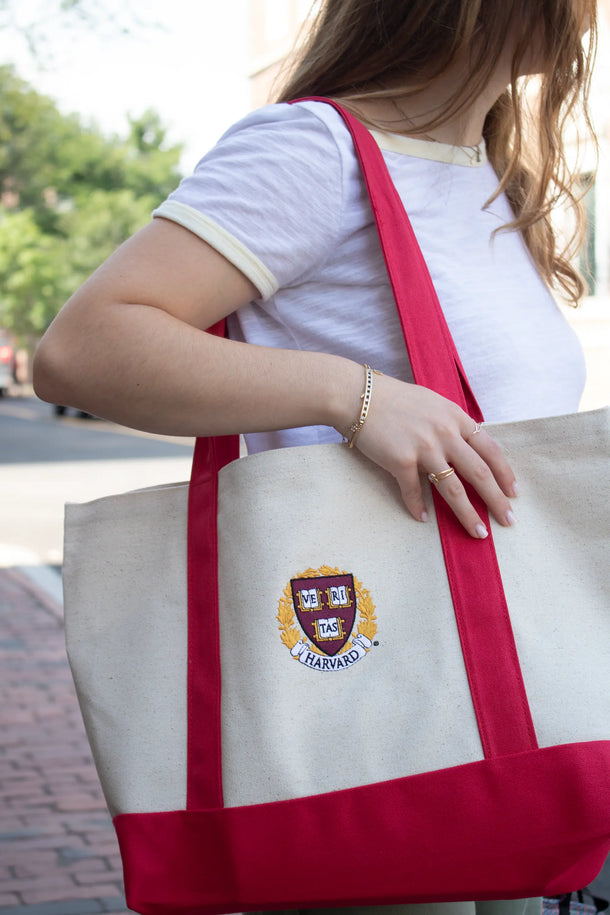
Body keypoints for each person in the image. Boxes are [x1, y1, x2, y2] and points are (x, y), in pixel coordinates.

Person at [33, 1, 598, 913]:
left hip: (516, 691)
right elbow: (85, 348)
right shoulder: (314, 152)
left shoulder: (494, 179)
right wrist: (354, 396)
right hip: (378, 698)